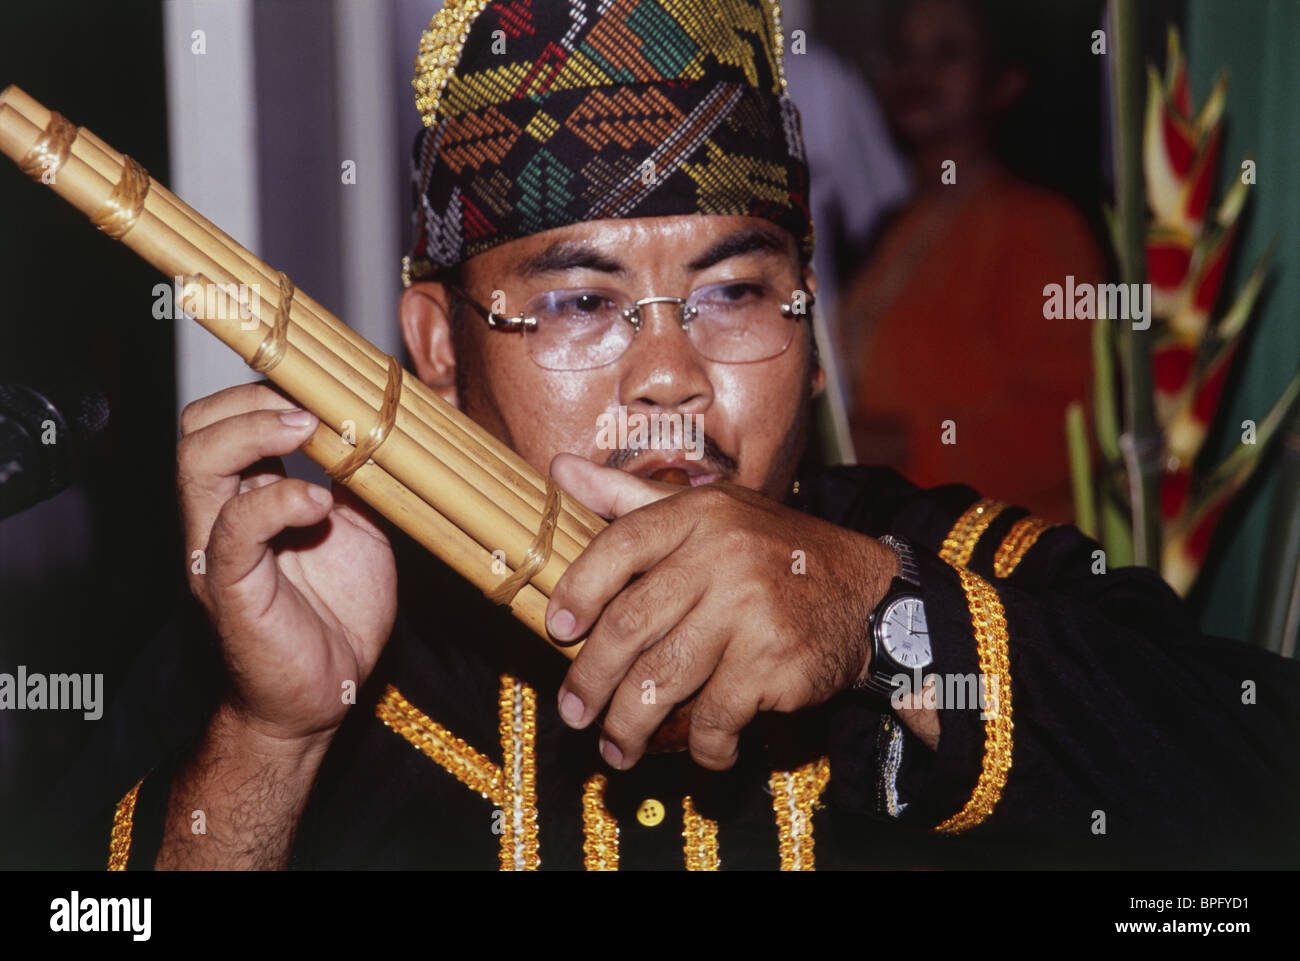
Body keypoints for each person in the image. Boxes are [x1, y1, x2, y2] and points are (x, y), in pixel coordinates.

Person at [42, 0, 1298, 871]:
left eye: (734, 293)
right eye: (580, 301)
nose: (669, 376)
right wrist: (274, 741)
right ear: (434, 348)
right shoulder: (299, 640)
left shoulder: (953, 569)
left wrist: (875, 623)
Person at [841, 0, 1105, 520]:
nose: (918, 72)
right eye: (903, 53)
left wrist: (898, 444)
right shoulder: (891, 230)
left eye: (948, 52)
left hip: (1008, 565)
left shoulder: (1042, 227)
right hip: (904, 542)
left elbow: (1073, 427)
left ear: (1004, 81)